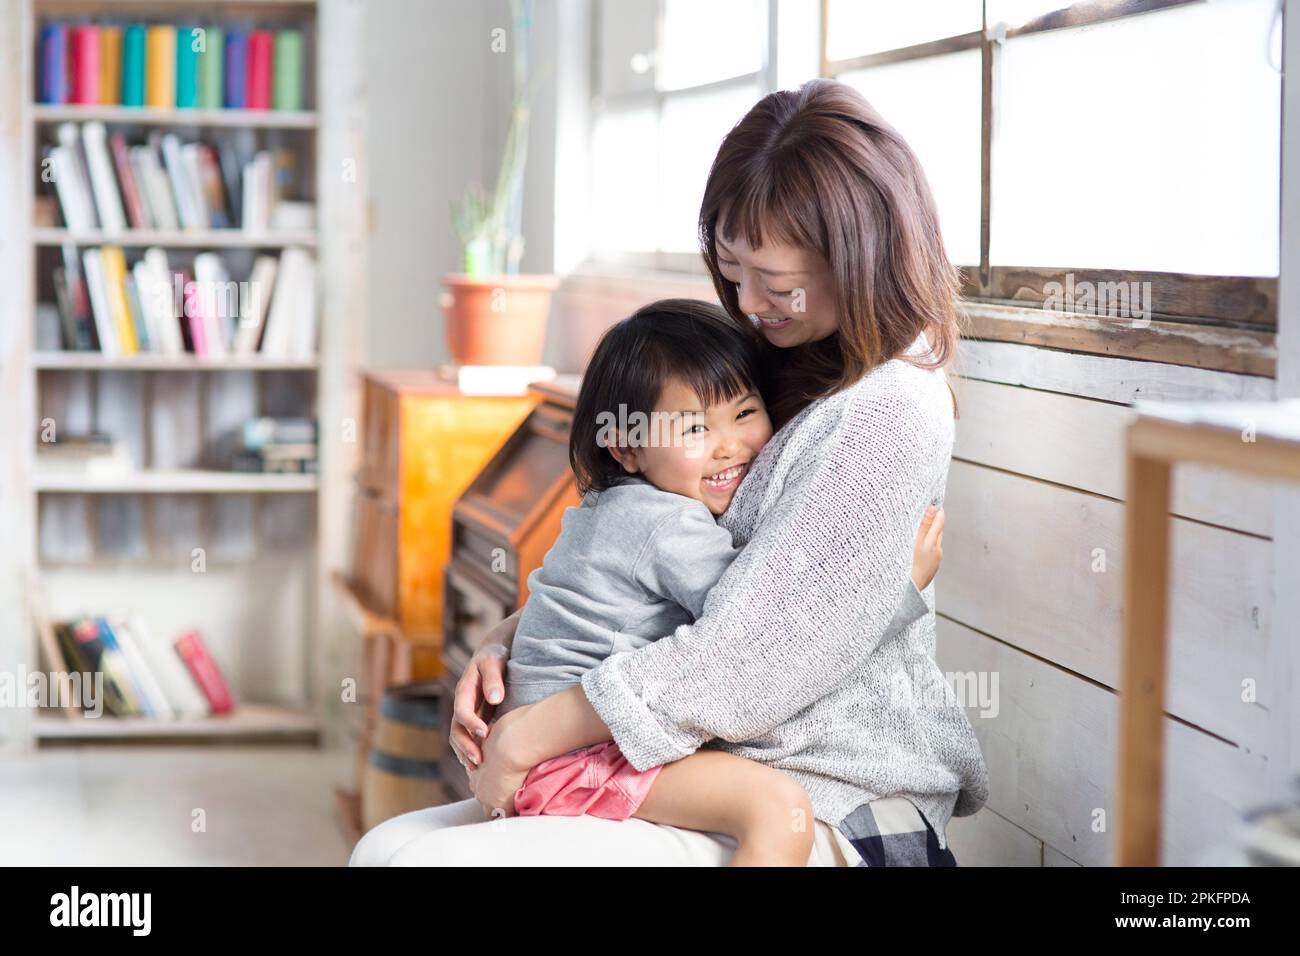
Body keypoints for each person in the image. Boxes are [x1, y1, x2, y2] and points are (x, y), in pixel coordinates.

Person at [350, 78, 989, 868]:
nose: (749, 304)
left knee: (422, 862)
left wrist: (537, 729)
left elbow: (752, 654)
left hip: (825, 786)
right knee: (386, 848)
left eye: (779, 284)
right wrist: (510, 648)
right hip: (701, 757)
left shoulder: (890, 409)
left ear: (862, 256)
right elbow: (646, 586)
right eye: (732, 268)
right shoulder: (779, 364)